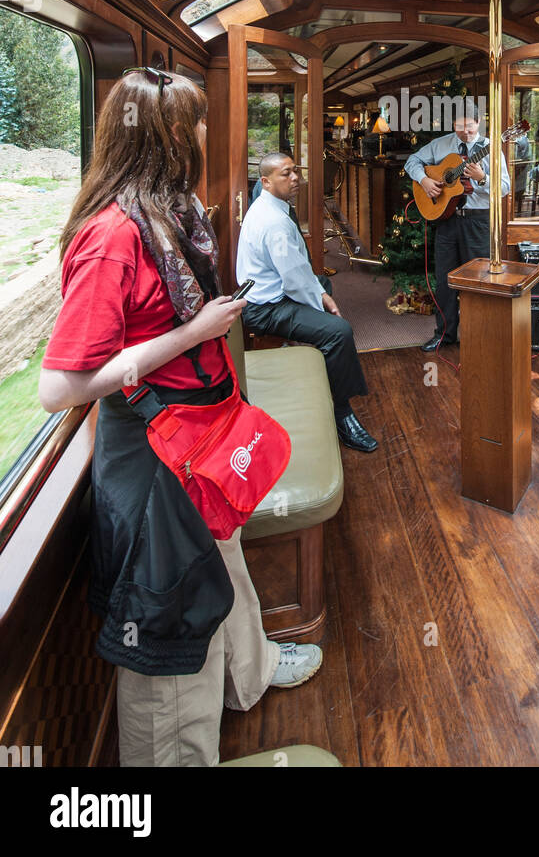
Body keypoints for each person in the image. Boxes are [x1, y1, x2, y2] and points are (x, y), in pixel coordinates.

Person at [38, 66, 321, 769]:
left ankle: (247, 675)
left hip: (197, 442)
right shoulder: (114, 237)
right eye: (195, 123)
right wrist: (194, 335)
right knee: (168, 621)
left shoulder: (170, 213)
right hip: (154, 458)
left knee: (221, 563)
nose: (205, 134)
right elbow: (59, 387)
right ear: (168, 137)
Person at [237, 152, 378, 452]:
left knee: (323, 284)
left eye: (295, 172)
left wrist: (319, 293)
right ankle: (342, 413)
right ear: (265, 181)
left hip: (271, 292)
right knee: (338, 332)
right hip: (265, 309)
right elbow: (293, 278)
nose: (295, 178)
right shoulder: (273, 221)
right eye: (285, 174)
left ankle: (320, 359)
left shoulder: (267, 204)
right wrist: (321, 304)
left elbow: (299, 273)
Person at [404, 102, 511, 351]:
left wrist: (482, 178)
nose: (466, 132)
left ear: (479, 124)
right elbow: (412, 161)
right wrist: (425, 180)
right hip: (447, 220)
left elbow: (504, 188)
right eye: (460, 127)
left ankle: (480, 337)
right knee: (445, 281)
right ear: (454, 125)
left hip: (478, 222)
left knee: (480, 281)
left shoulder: (491, 148)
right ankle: (444, 334)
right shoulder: (441, 145)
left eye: (471, 126)